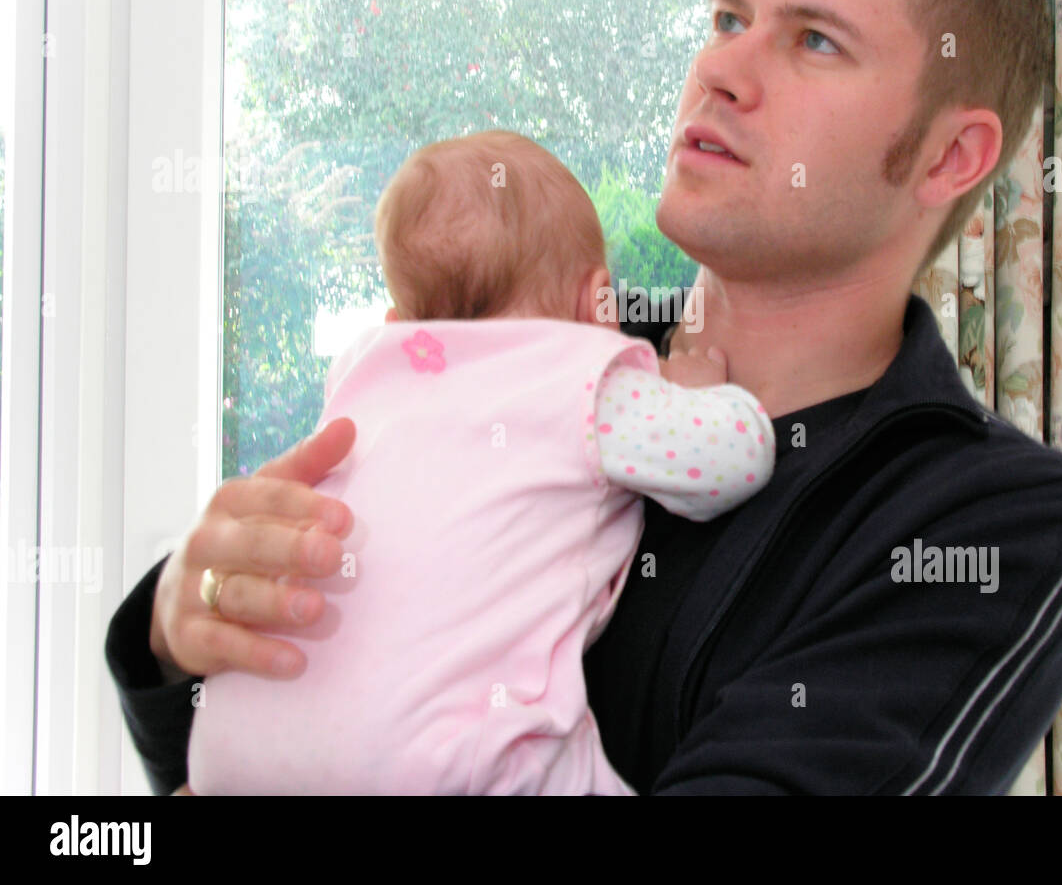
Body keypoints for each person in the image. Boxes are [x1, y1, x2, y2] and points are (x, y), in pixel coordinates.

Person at [107, 0, 1062, 795]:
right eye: (727, 19)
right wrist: (173, 629)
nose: (721, 70)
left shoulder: (989, 518)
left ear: (949, 158)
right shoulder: (527, 347)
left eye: (813, 40)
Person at [182, 131, 773, 794]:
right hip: (444, 760)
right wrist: (695, 395)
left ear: (400, 319)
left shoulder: (365, 374)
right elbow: (733, 458)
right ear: (596, 301)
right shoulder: (581, 372)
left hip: (234, 751)